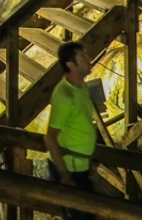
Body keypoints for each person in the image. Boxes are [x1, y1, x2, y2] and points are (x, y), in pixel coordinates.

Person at [44, 42, 97, 220]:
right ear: (70, 64)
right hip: (69, 169)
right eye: (83, 57)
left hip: (80, 166)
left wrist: (89, 159)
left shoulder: (82, 87)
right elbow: (50, 138)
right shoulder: (64, 96)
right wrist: (64, 174)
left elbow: (83, 124)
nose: (89, 60)